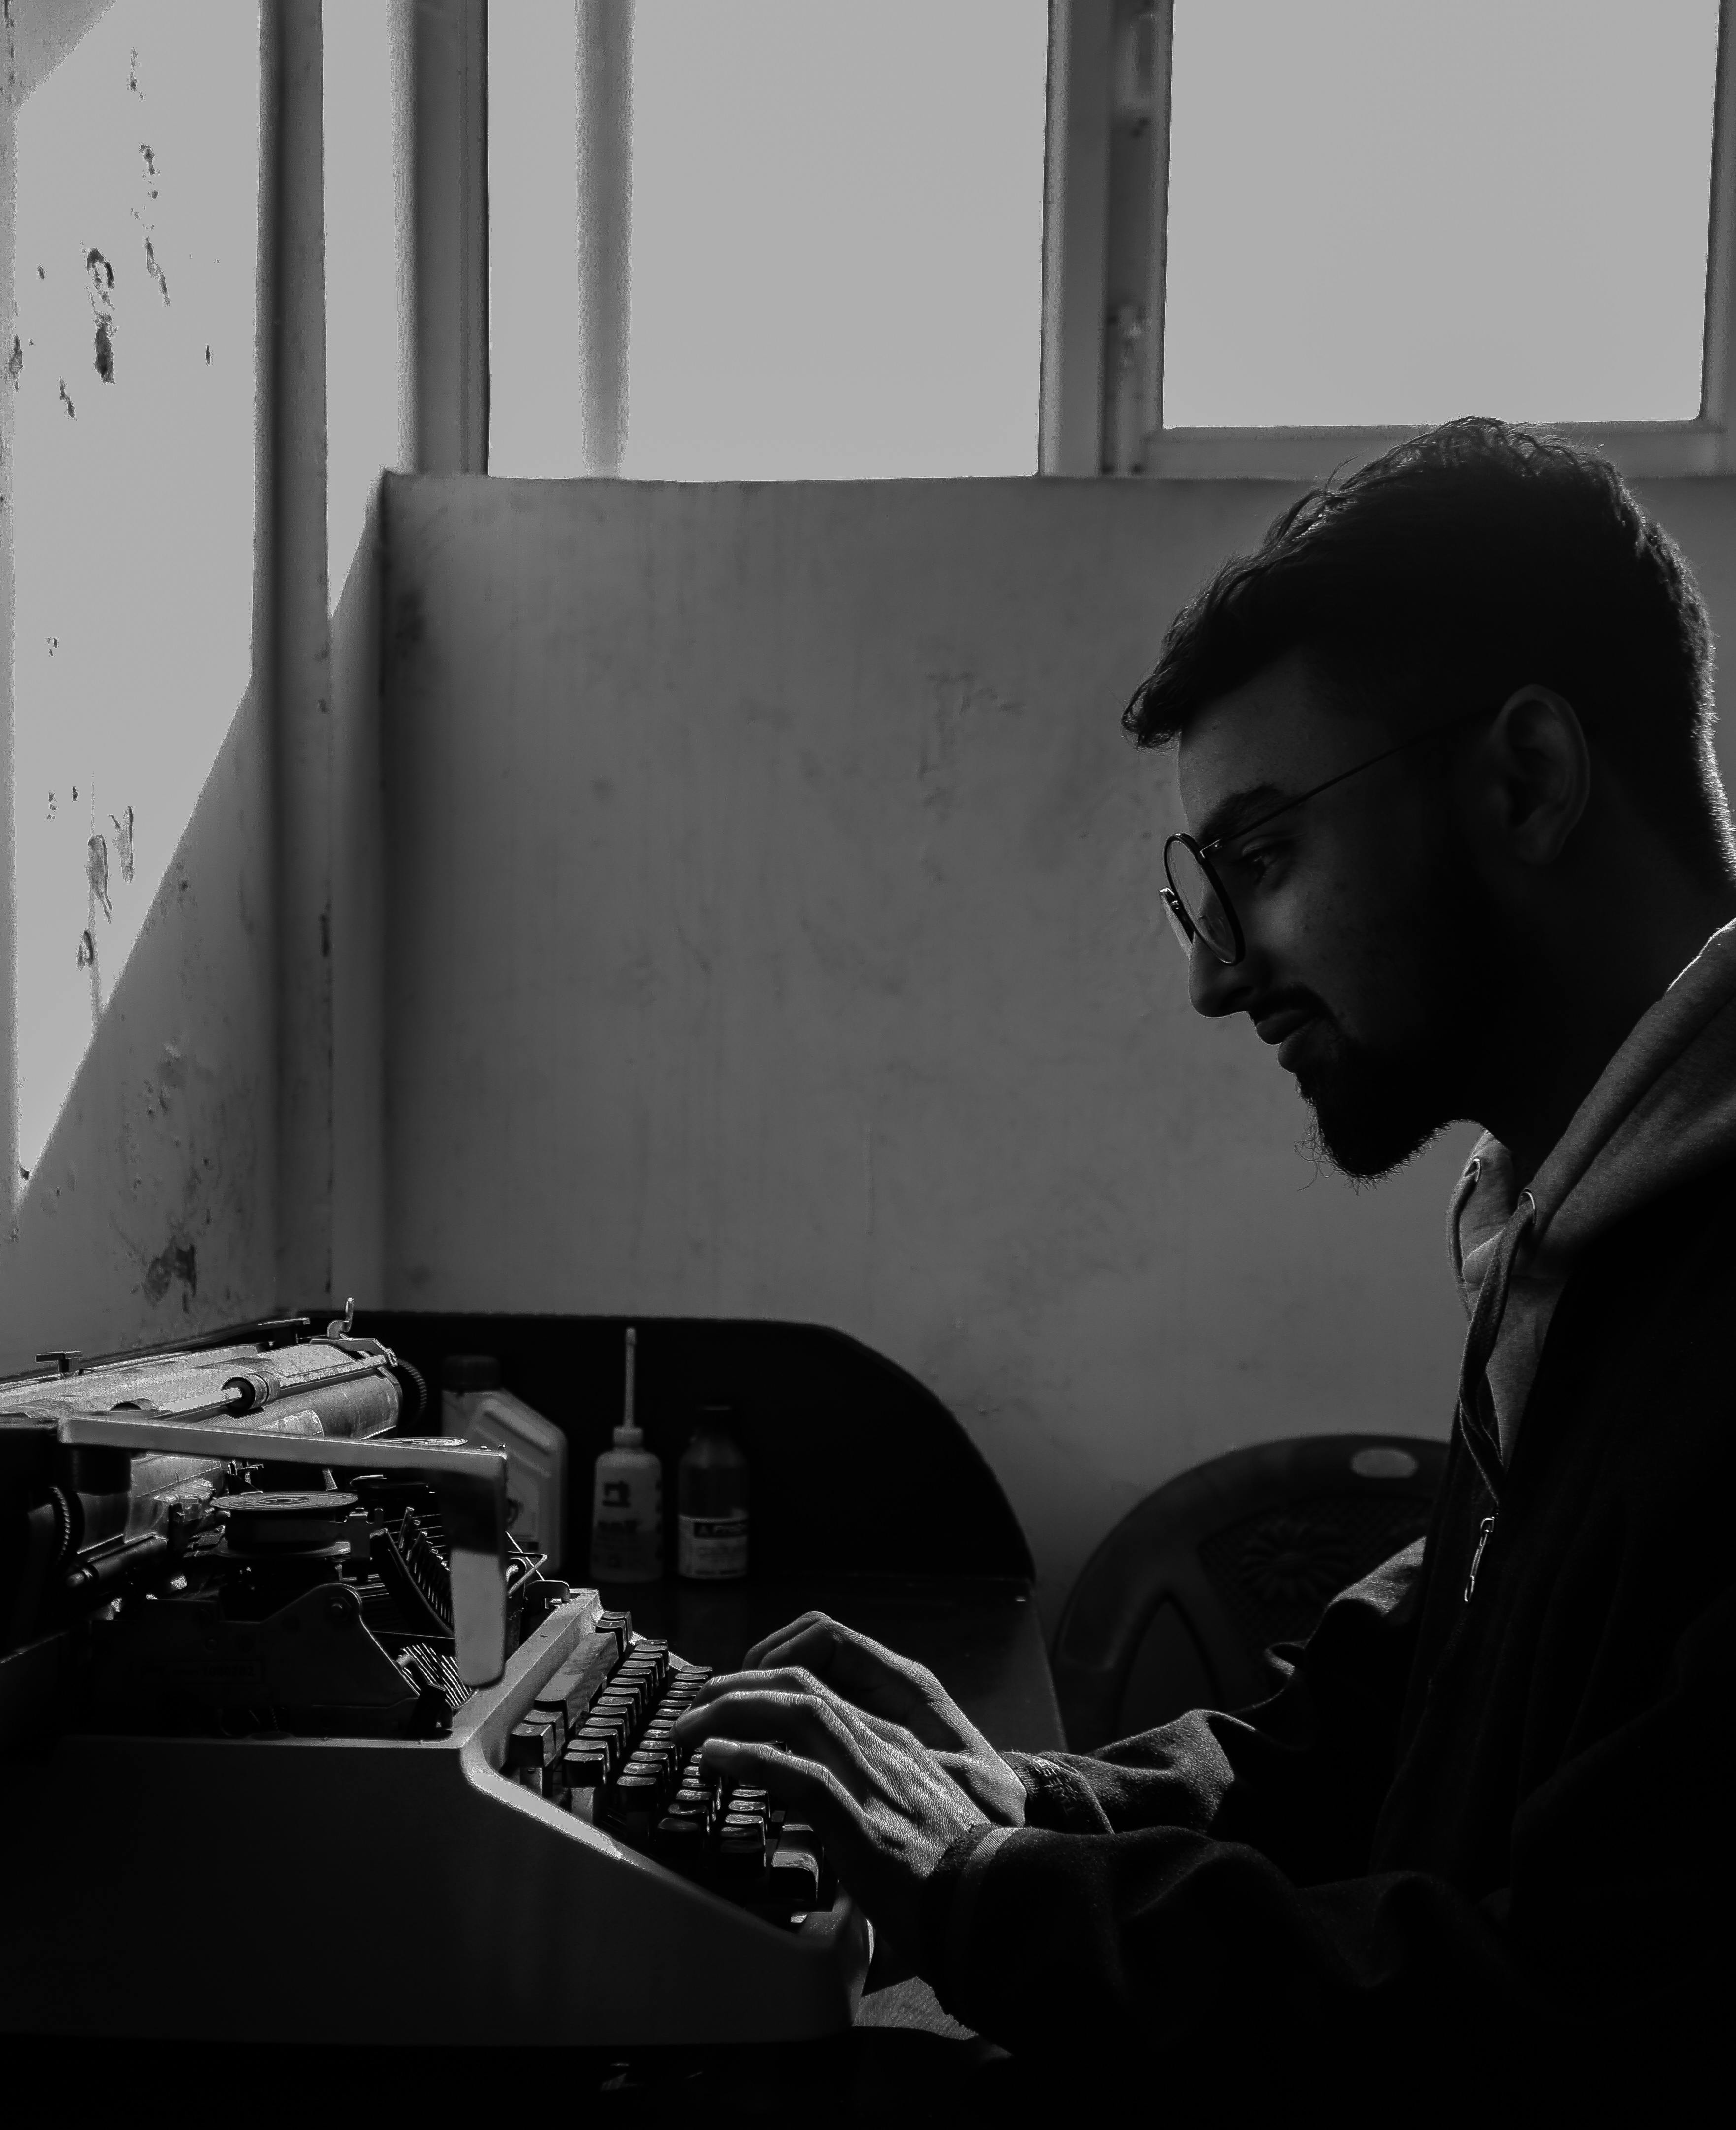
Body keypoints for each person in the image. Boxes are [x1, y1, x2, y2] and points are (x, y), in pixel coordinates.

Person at [673, 419, 1736, 2092]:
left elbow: (1575, 2018)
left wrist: (989, 1892)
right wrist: (1033, 1806)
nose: (1215, 978)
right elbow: (1379, 1732)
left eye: (1263, 858)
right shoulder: (1580, 1226)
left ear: (1524, 781)